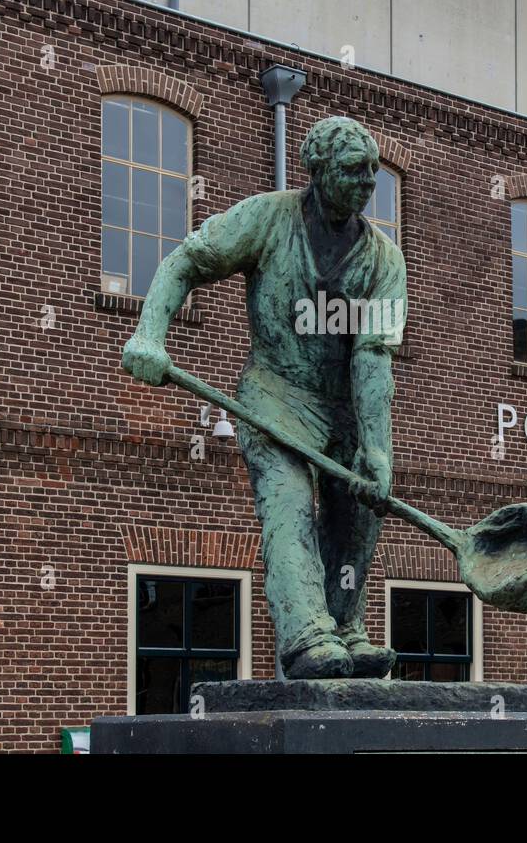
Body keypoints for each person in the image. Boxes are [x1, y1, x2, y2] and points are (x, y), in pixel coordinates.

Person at [122, 116, 408, 679]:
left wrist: (377, 452)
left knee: (357, 518)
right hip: (276, 395)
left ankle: (345, 626)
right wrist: (150, 333)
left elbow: (373, 359)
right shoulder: (268, 218)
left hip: (346, 407)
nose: (368, 182)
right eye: (354, 169)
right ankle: (306, 635)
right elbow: (188, 259)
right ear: (318, 169)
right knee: (289, 504)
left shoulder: (383, 260)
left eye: (374, 171)